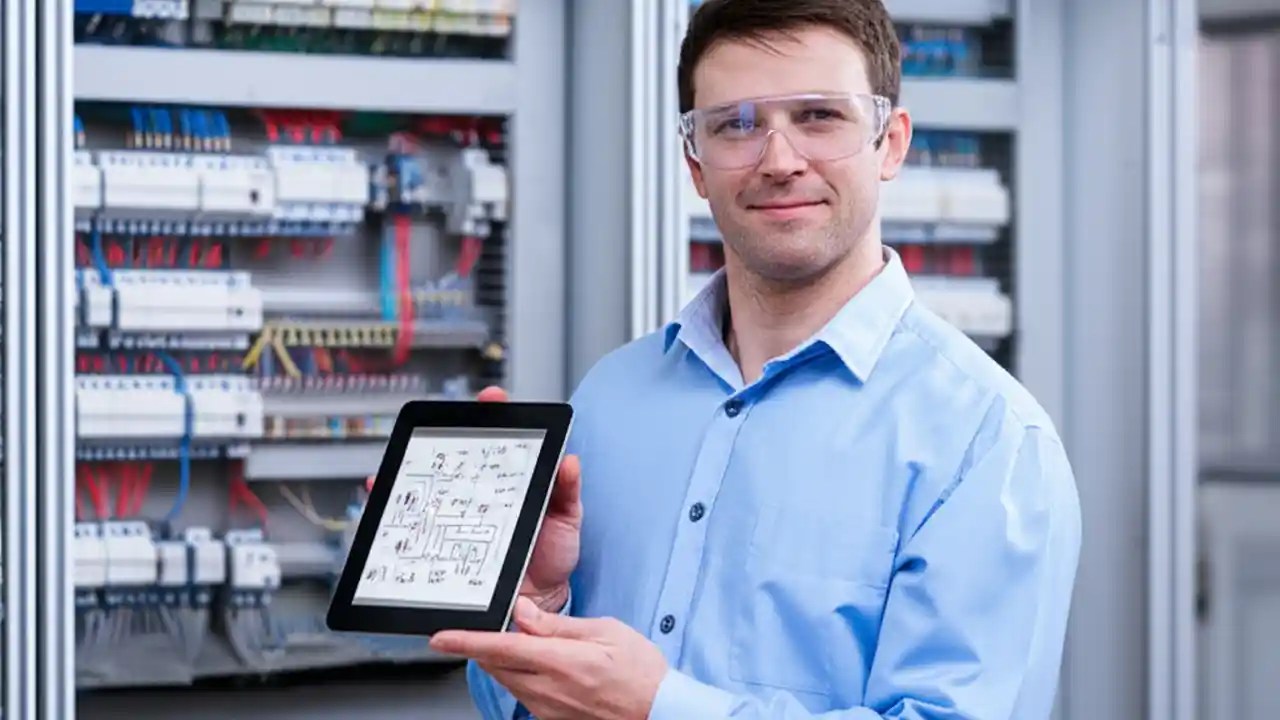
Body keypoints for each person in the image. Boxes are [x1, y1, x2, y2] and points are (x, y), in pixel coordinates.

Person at [427, 0, 1083, 717]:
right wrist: (538, 607)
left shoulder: (986, 442)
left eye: (819, 117)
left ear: (890, 144)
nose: (778, 161)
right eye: (736, 124)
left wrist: (658, 708)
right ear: (695, 162)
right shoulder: (610, 396)